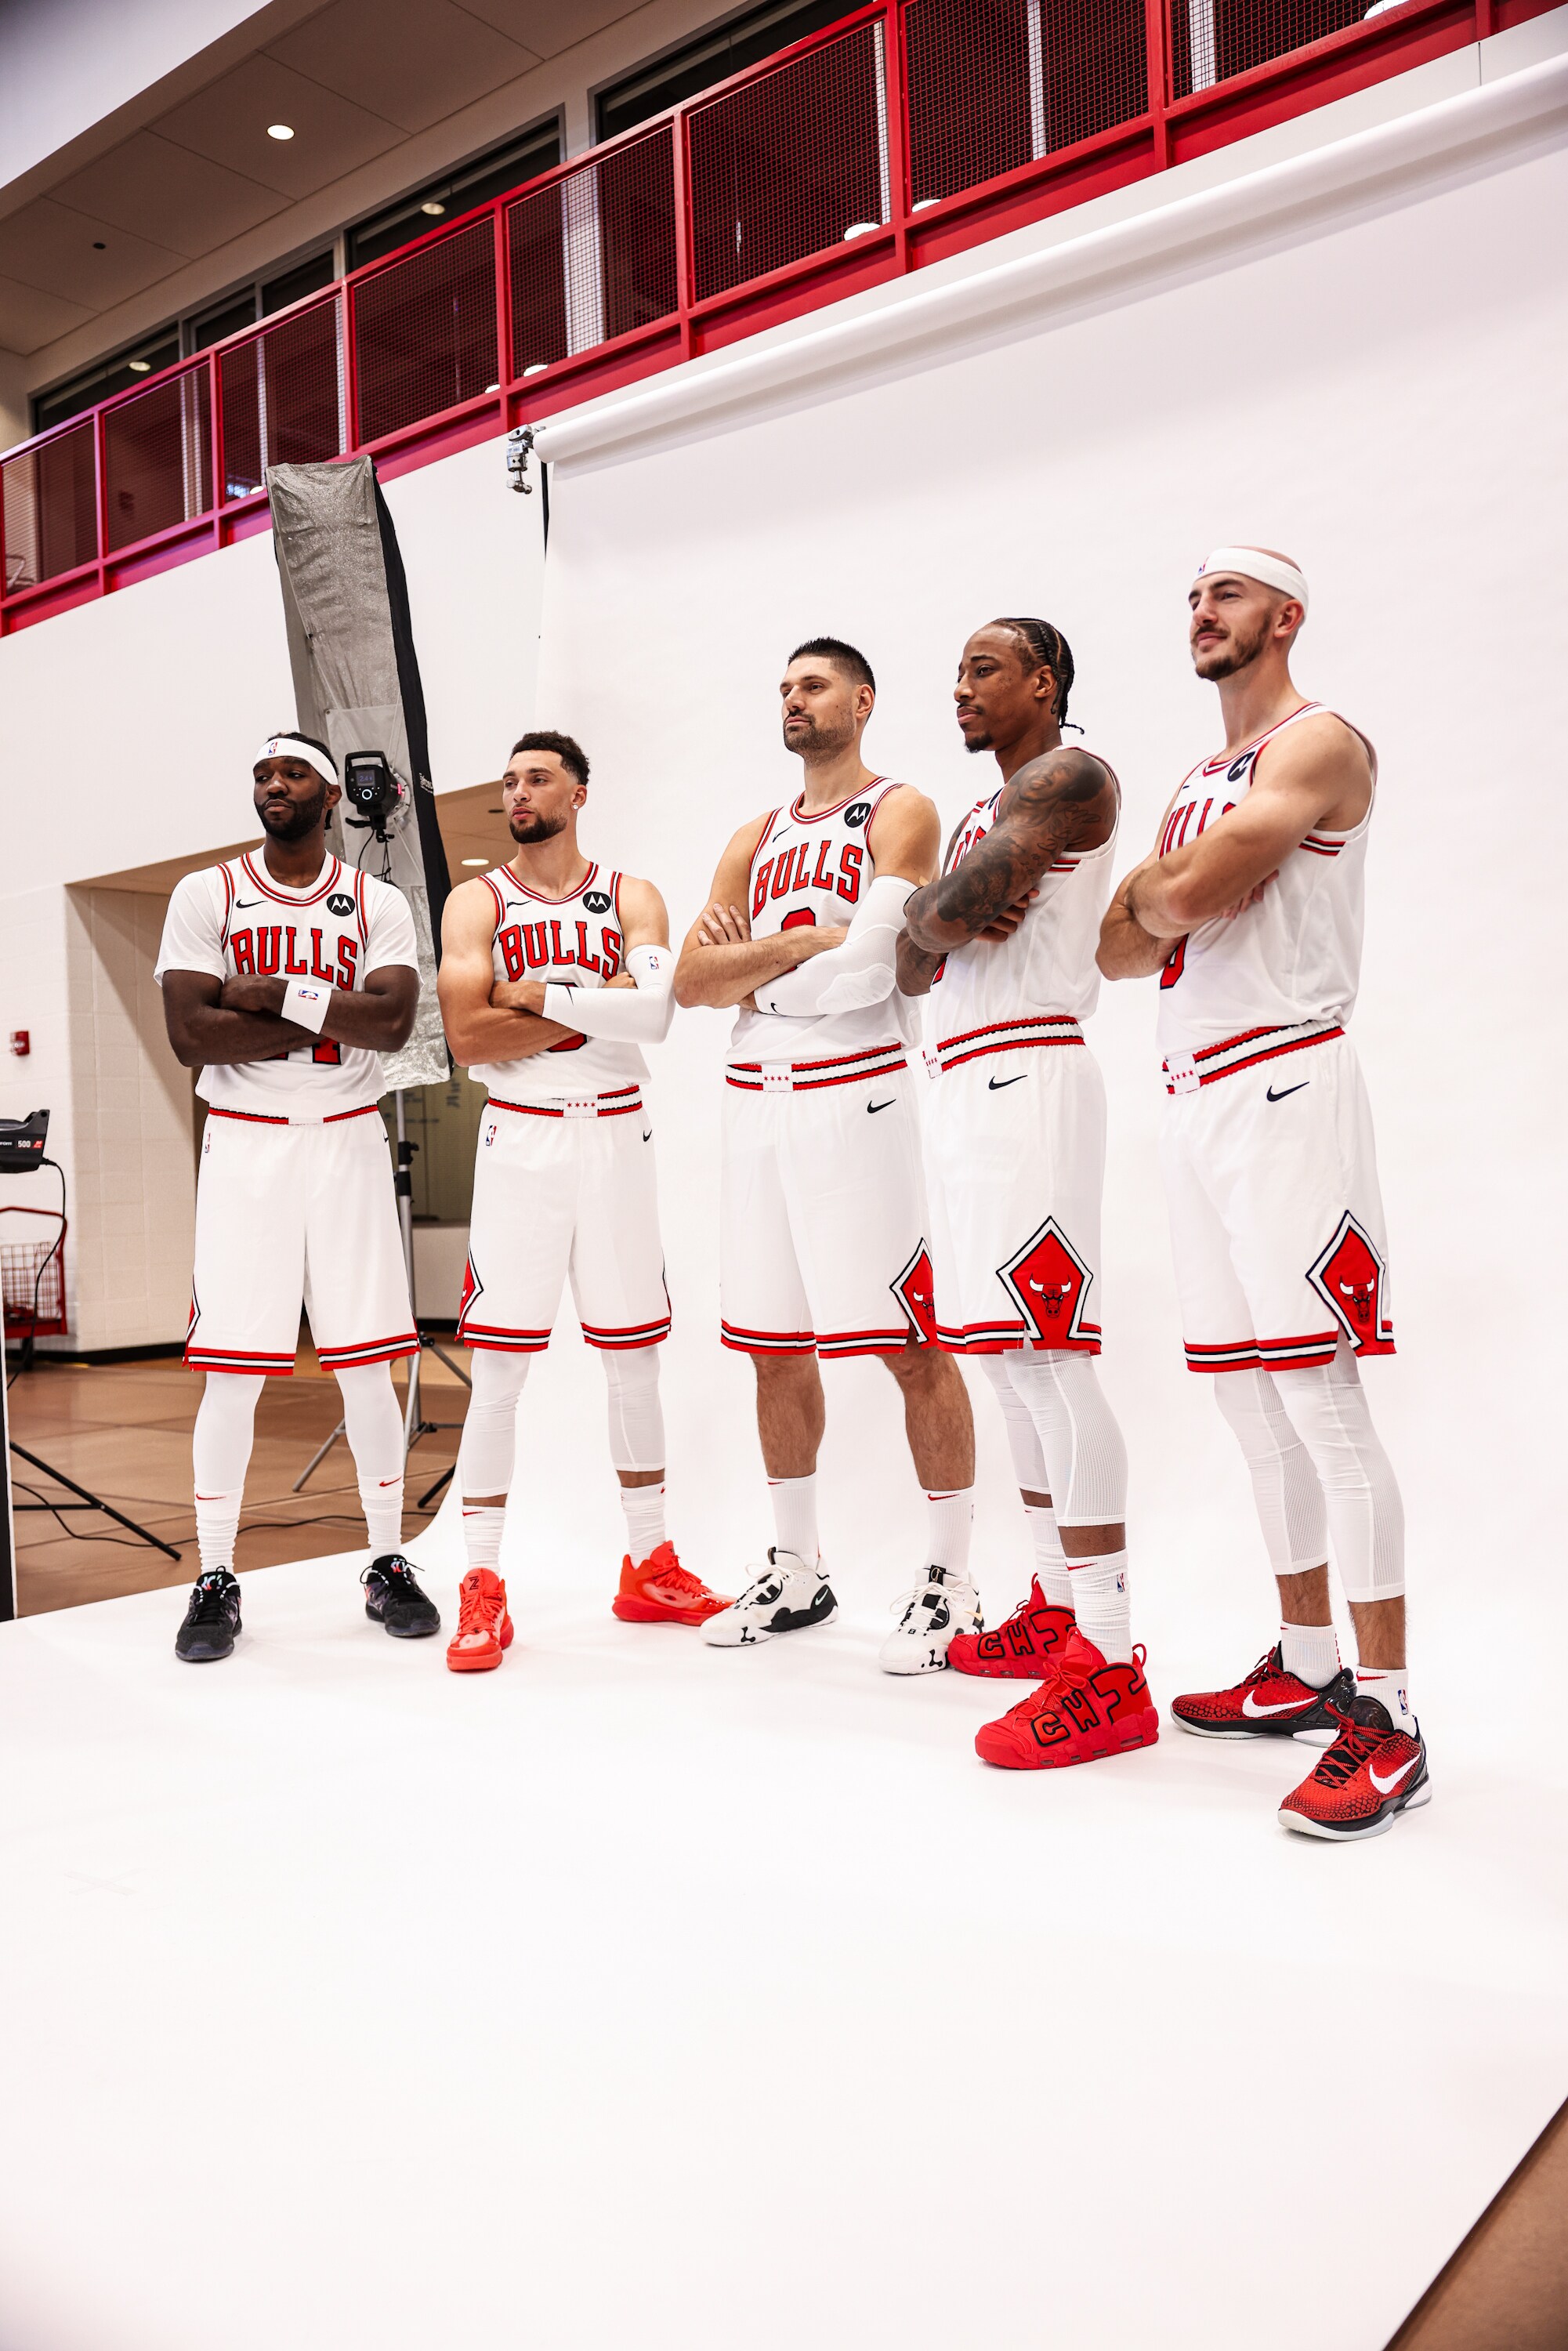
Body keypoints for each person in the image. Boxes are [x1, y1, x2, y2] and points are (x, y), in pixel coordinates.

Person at [1098, 547, 1424, 1841]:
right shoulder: (1193, 782)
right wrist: (1163, 897)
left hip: (1288, 1080)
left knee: (1322, 1401)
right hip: (1192, 1093)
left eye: (1225, 596)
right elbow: (1121, 947)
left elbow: (1170, 899)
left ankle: (1391, 1713)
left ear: (1284, 616)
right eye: (1189, 598)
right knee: (1245, 1398)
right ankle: (1304, 1664)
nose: (1202, 613)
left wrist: (1164, 897)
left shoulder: (1322, 739)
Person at [673, 637, 977, 1668]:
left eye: (811, 686)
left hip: (857, 1098)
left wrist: (754, 975)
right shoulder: (754, 834)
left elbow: (865, 978)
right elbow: (689, 984)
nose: (793, 702)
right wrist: (795, 948)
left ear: (863, 699)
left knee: (909, 1342)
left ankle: (952, 1577)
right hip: (754, 1103)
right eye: (784, 690)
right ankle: (797, 1568)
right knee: (770, 1344)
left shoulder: (899, 809)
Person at [899, 619, 1157, 1770]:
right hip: (960, 1083)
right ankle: (1055, 1603)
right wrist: (935, 910)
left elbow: (946, 921)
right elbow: (916, 947)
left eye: (983, 670)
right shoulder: (979, 813)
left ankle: (1108, 1657)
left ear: (1043, 683)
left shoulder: (1072, 777)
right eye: (956, 673)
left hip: (1029, 1069)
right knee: (1005, 1362)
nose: (960, 689)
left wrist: (942, 912)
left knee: (1054, 1355)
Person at [436, 730, 728, 1672]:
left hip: (616, 1131)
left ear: (580, 792)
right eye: (510, 782)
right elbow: (469, 1037)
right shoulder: (476, 900)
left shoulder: (632, 894)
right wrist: (587, 992)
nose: (518, 794)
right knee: (502, 1371)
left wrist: (530, 990)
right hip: (519, 1135)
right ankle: (481, 1581)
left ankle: (648, 1560)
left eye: (537, 778)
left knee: (634, 1359)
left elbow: (653, 1015)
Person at [157, 732, 438, 1662]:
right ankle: (215, 1573)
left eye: (290, 774)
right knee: (233, 1371)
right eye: (262, 776)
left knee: (368, 1364)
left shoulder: (377, 899)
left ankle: (388, 1559)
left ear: (329, 795)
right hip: (247, 1150)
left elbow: (392, 1021)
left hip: (350, 1143)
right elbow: (194, 1036)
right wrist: (324, 1013)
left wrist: (274, 994)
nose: (272, 786)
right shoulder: (209, 892)